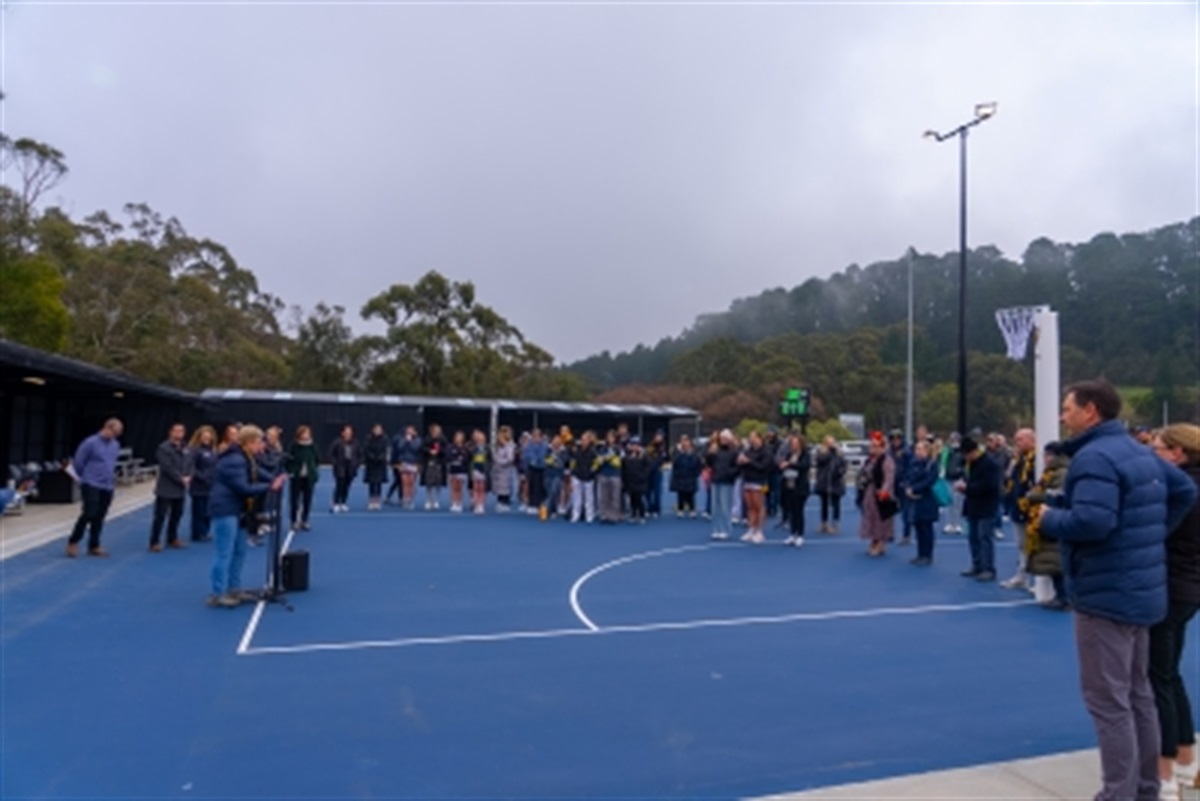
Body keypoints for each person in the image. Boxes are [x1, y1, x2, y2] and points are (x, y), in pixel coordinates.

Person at [1039, 380, 1196, 801]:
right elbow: (1184, 490)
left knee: (1109, 702)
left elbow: (1092, 522)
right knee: (1139, 694)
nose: (1062, 416)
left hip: (1105, 593)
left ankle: (1119, 793)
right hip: (1140, 590)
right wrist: (1149, 536)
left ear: (1090, 410)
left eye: (1067, 408)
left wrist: (1050, 519)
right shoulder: (1136, 451)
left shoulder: (1096, 457)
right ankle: (1145, 788)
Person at [1148, 423, 1200, 798]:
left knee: (1157, 680)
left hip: (1171, 586)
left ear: (1177, 453)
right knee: (1170, 674)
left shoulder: (1181, 490)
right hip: (1189, 588)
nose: (1152, 455)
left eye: (1158, 449)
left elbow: (1157, 534)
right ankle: (1186, 760)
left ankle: (1164, 774)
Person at [208, 425, 286, 608]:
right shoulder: (234, 460)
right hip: (225, 509)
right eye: (259, 443)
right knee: (224, 552)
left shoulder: (246, 458)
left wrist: (273, 478)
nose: (262, 446)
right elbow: (243, 487)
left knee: (239, 550)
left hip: (239, 510)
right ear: (249, 442)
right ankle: (218, 593)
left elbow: (257, 472)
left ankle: (234, 588)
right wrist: (270, 486)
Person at [66, 418, 124, 558]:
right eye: (114, 432)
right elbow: (79, 462)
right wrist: (85, 477)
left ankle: (94, 544)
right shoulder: (90, 443)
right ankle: (73, 541)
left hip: (107, 484)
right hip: (91, 483)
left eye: (117, 434)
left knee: (100, 515)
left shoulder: (115, 445)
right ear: (107, 428)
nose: (115, 435)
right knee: (89, 512)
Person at [1021, 441, 1070, 609]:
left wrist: (1033, 496)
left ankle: (1064, 597)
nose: (1044, 459)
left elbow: (1055, 495)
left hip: (1054, 518)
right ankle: (1061, 595)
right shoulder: (1053, 472)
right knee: (1053, 560)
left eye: (1047, 455)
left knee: (1057, 561)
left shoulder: (1060, 473)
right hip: (1050, 518)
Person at [1000, 428, 1038, 589]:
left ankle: (1035, 579)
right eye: (1016, 439)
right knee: (1021, 543)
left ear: (1032, 440)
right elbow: (1010, 479)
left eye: (1021, 439)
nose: (1017, 443)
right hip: (1016, 506)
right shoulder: (1017, 459)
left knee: (1034, 544)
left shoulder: (1036, 459)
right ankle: (1022, 575)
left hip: (1031, 507)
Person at [149, 423, 191, 552]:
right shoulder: (163, 448)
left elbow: (190, 463)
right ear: (171, 432)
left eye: (181, 431)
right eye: (176, 431)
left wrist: (189, 476)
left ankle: (172, 538)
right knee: (160, 516)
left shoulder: (186, 447)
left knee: (177, 514)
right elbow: (167, 467)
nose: (179, 433)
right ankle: (154, 541)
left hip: (180, 489)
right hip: (166, 488)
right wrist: (180, 478)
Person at [857, 431, 896, 557]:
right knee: (870, 517)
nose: (872, 448)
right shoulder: (869, 460)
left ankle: (880, 542)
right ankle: (873, 540)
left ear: (882, 447)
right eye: (871, 446)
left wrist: (884, 491)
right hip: (869, 492)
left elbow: (889, 478)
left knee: (881, 519)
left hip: (881, 494)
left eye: (875, 446)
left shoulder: (887, 460)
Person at [904, 439, 940, 565]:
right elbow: (907, 476)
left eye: (920, 449)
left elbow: (929, 481)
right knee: (918, 527)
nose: (917, 451)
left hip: (927, 499)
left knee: (926, 528)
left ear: (927, 450)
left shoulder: (932, 464)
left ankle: (927, 555)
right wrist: (907, 487)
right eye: (916, 449)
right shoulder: (913, 463)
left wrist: (914, 489)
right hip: (914, 500)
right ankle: (920, 554)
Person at [779, 432, 812, 547]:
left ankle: (800, 534)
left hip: (800, 486)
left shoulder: (805, 454)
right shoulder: (789, 454)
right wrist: (782, 465)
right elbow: (782, 463)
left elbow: (804, 466)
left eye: (795, 443)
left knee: (799, 511)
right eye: (792, 443)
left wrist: (789, 465)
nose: (793, 445)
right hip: (788, 485)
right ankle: (792, 534)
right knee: (791, 511)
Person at [186, 426, 218, 543]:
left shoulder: (214, 451)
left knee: (208, 511)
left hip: (211, 486)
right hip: (198, 486)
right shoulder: (195, 450)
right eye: (204, 437)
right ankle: (197, 533)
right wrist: (201, 477)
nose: (206, 439)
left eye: (208, 437)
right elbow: (191, 467)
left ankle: (205, 531)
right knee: (199, 510)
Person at [287, 425, 320, 531]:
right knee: (294, 500)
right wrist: (292, 471)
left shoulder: (313, 446)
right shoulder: (294, 446)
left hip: (309, 478)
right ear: (300, 434)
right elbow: (289, 460)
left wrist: (313, 470)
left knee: (307, 500)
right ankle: (293, 521)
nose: (306, 435)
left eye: (308, 433)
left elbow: (317, 459)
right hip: (296, 477)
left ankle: (304, 520)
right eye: (304, 433)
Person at [814, 436, 846, 534]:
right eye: (829, 443)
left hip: (836, 481)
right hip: (824, 481)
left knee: (836, 502)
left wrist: (840, 472)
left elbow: (843, 464)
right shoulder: (821, 452)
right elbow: (820, 461)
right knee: (824, 503)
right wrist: (828, 452)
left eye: (833, 442)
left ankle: (835, 523)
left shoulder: (839, 453)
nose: (831, 444)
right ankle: (824, 523)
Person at [328, 426, 361, 513]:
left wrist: (356, 464)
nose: (348, 434)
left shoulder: (355, 443)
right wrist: (335, 463)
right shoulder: (337, 442)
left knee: (347, 486)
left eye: (350, 432)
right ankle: (335, 502)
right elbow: (331, 454)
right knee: (339, 485)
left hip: (351, 468)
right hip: (340, 467)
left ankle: (343, 502)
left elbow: (359, 455)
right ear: (342, 433)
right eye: (346, 432)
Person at [670, 435, 702, 518]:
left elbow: (698, 463)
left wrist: (696, 473)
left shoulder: (693, 452)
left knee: (691, 494)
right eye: (682, 441)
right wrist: (680, 452)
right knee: (680, 493)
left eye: (686, 441)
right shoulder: (677, 452)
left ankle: (692, 510)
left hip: (690, 475)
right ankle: (680, 509)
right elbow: (674, 462)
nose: (685, 443)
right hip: (680, 475)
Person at [621, 439, 652, 524]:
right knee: (632, 499)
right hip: (630, 481)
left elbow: (648, 467)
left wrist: (643, 476)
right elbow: (623, 468)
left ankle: (642, 515)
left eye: (636, 445)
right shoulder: (627, 456)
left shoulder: (643, 456)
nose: (634, 447)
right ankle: (633, 514)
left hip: (640, 481)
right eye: (632, 445)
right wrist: (624, 479)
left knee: (639, 499)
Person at [363, 424, 390, 511]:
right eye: (376, 430)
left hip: (380, 464)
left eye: (379, 430)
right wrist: (372, 457)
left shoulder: (385, 439)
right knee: (371, 483)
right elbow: (366, 449)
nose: (378, 431)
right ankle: (371, 500)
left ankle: (377, 500)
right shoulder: (368, 438)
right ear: (373, 430)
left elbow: (385, 450)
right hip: (371, 464)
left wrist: (380, 458)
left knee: (379, 483)